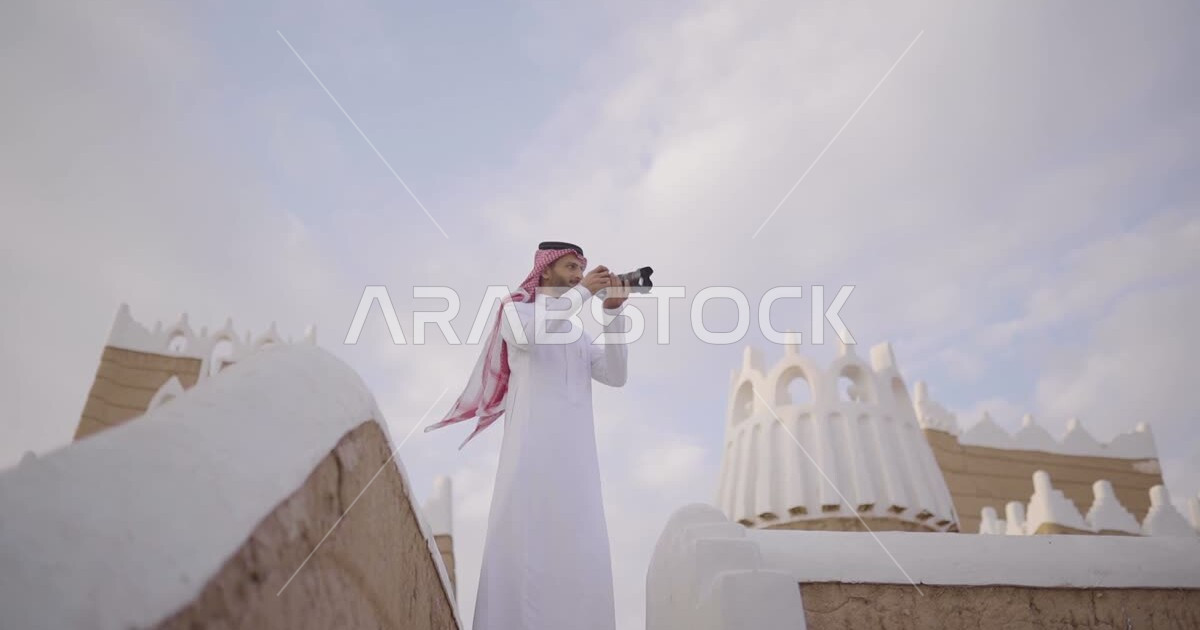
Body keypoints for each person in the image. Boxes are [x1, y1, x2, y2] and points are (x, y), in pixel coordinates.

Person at [424, 241, 632, 630]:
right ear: (547, 270)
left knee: (579, 548)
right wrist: (585, 291)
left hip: (578, 464)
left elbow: (616, 376)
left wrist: (614, 316)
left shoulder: (577, 333)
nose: (576, 275)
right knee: (525, 546)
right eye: (570, 267)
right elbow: (529, 336)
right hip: (531, 455)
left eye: (580, 269)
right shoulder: (515, 312)